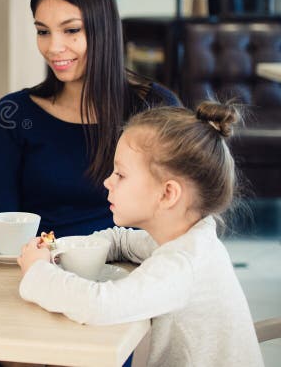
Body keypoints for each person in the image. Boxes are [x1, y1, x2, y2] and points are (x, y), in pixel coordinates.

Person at [17, 101, 263, 366]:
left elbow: (100, 305)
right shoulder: (186, 238)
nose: (107, 181)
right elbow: (120, 240)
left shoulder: (182, 265)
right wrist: (61, 248)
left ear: (167, 194)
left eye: (120, 174)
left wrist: (38, 271)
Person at [0, 0, 179, 237]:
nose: (54, 47)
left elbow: (176, 220)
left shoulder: (156, 108)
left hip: (132, 271)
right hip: (39, 271)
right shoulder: (14, 113)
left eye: (71, 30)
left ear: (104, 29)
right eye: (43, 31)